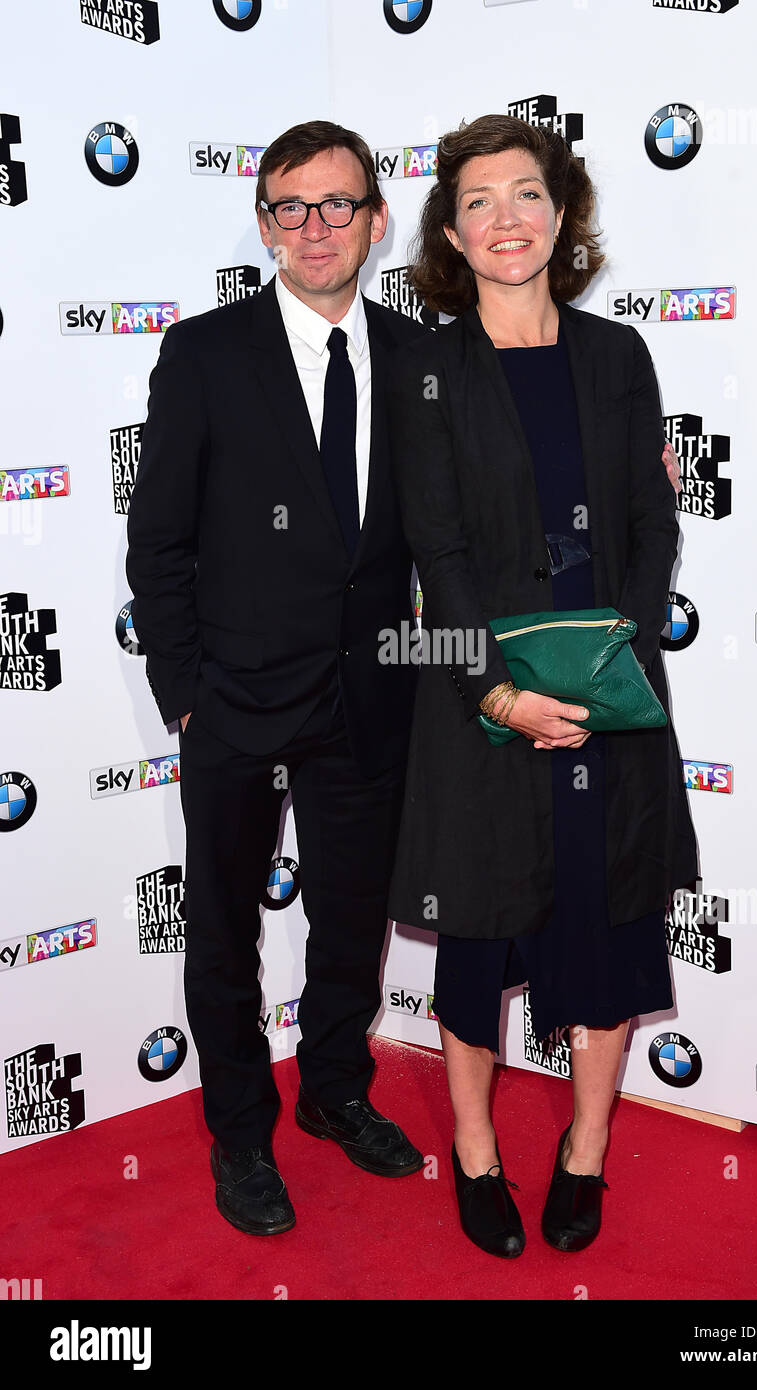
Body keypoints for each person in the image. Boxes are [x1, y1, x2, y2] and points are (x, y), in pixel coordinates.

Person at [386, 114, 699, 1258]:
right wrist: (500, 690)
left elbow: (649, 519)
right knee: (479, 943)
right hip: (482, 709)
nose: (505, 218)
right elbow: (440, 547)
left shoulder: (618, 356)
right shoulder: (424, 368)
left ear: (560, 215)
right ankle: (474, 1151)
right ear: (452, 232)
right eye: (478, 201)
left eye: (526, 194)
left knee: (607, 930)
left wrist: (610, 656)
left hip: (610, 699)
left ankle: (583, 1153)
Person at [125, 121, 431, 1237]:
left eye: (336, 205)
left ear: (374, 219)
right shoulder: (205, 353)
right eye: (291, 208)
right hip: (237, 701)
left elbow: (446, 533)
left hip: (371, 697)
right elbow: (157, 542)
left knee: (352, 914)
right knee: (223, 929)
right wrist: (185, 690)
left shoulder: (414, 361)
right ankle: (241, 1130)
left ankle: (336, 1091)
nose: (314, 228)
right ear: (262, 223)